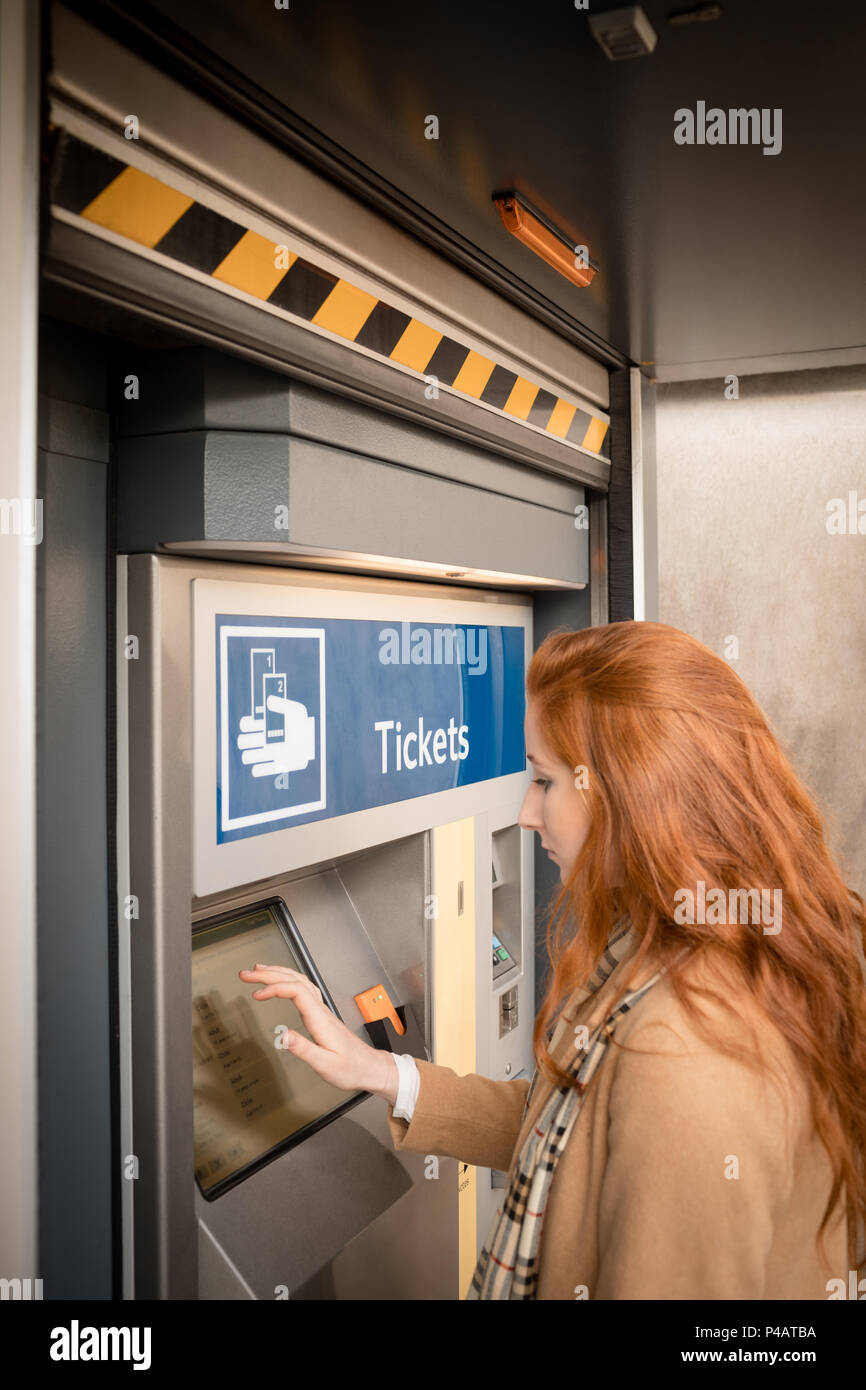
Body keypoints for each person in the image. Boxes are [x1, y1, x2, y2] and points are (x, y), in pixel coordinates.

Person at [240, 621, 866, 1300]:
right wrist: (383, 1072)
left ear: (630, 794)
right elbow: (576, 1140)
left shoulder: (686, 1046)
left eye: (543, 781)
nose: (526, 813)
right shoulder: (684, 941)